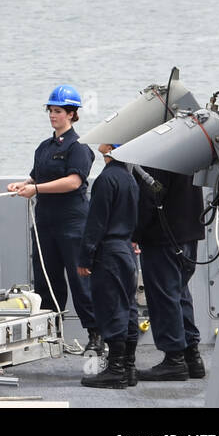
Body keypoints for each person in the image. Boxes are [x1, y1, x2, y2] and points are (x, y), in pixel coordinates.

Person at [7, 85, 100, 352]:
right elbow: (37, 176)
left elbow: (73, 181)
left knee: (80, 280)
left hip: (72, 224)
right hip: (46, 224)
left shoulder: (79, 147)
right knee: (47, 278)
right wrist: (22, 184)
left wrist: (35, 189)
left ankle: (95, 334)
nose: (52, 115)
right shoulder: (44, 148)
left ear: (71, 114)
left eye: (58, 111)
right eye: (50, 110)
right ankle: (50, 332)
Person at [135, 164, 207, 381]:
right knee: (180, 293)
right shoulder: (186, 149)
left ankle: (174, 359)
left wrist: (133, 233)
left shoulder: (158, 155)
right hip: (188, 232)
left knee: (164, 296)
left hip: (163, 236)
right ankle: (191, 357)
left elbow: (151, 195)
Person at [77, 143, 141, 388]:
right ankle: (129, 366)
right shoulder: (129, 178)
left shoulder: (106, 179)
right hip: (126, 249)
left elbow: (96, 223)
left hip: (109, 252)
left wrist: (85, 258)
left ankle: (115, 370)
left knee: (112, 307)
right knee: (129, 308)